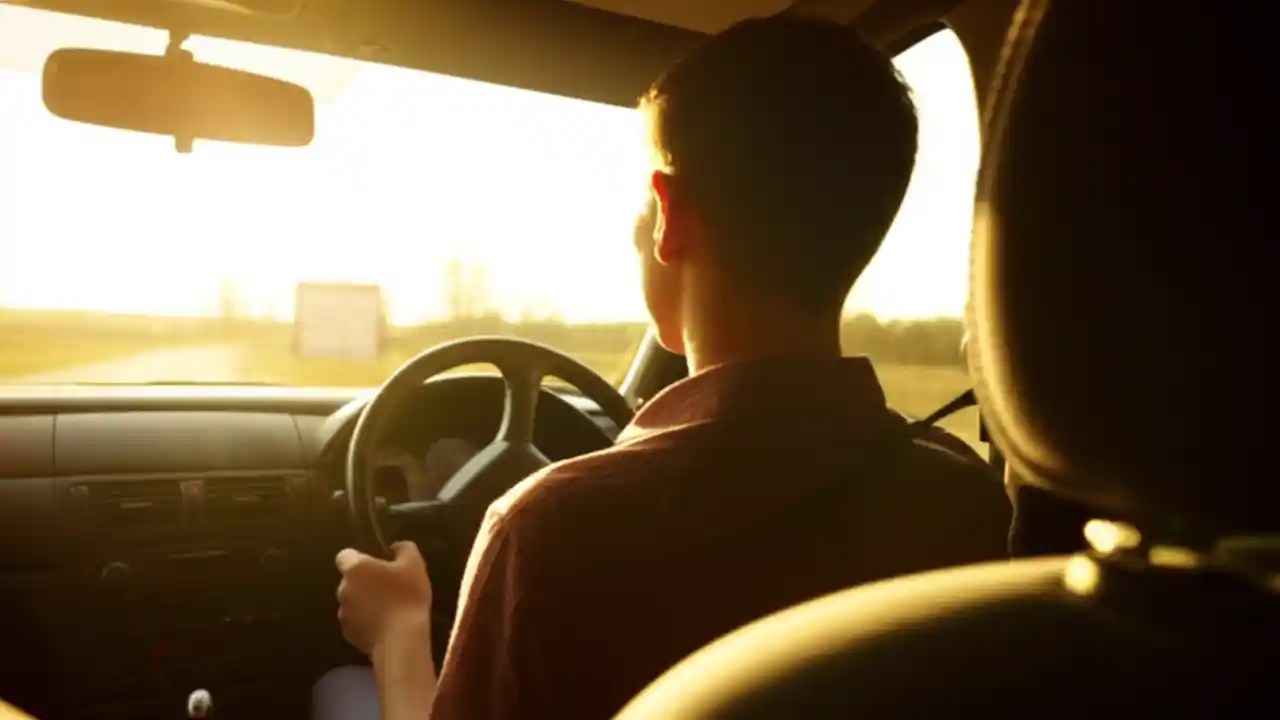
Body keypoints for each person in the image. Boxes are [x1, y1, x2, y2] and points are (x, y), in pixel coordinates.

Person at [317, 14, 1011, 720]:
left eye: (643, 207)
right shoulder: (968, 503)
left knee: (340, 692)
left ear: (671, 215)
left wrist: (399, 633)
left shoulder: (548, 532)